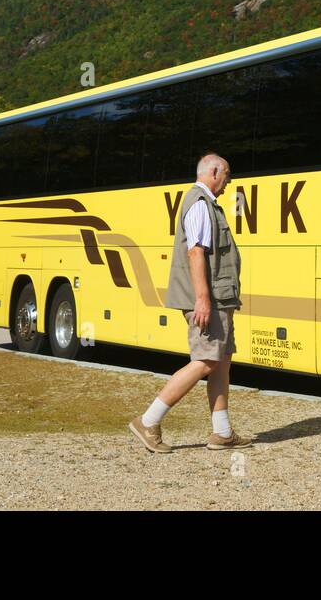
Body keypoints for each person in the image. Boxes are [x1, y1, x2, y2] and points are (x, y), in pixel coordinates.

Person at [129, 153, 252, 452]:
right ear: (213, 171)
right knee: (207, 360)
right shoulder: (199, 204)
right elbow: (196, 253)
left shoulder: (208, 204)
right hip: (209, 300)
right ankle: (148, 420)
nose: (229, 181)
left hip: (219, 298)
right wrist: (202, 300)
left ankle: (222, 433)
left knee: (221, 362)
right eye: (227, 174)